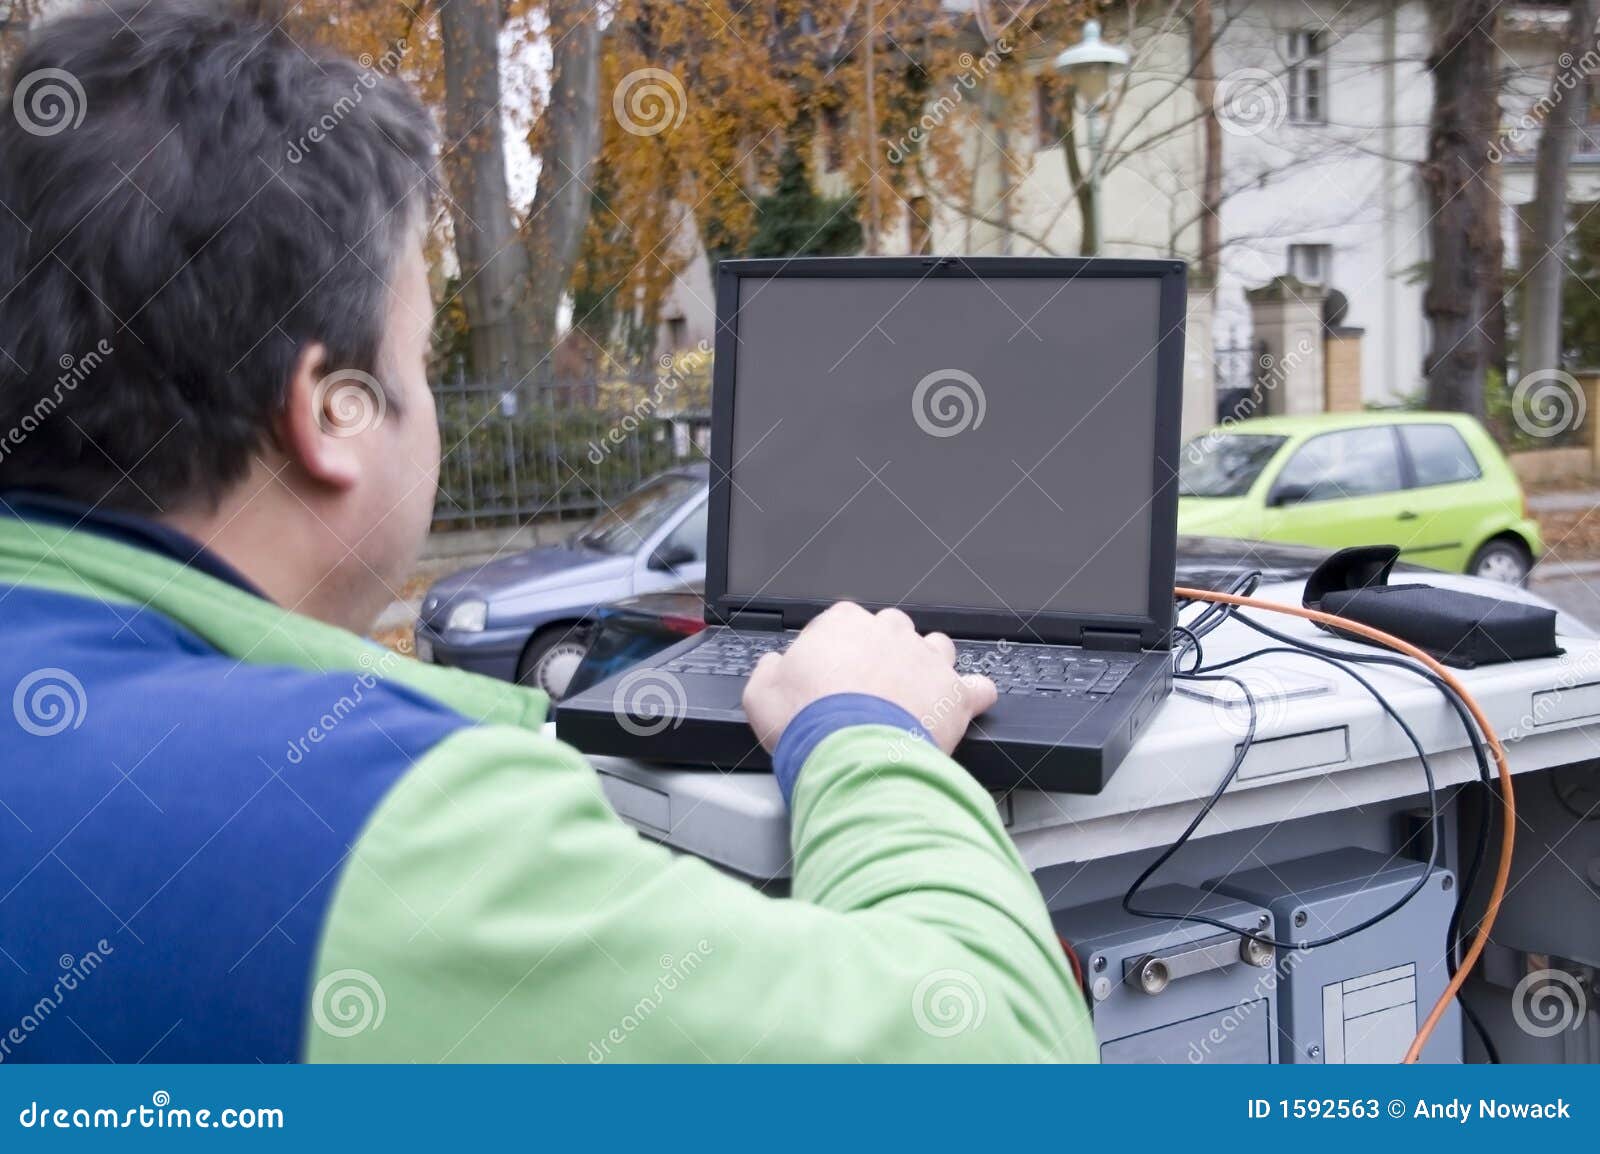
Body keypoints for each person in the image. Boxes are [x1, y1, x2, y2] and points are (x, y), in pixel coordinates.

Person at [0, 0, 1092, 1063]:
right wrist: (867, 734)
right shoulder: (381, 821)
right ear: (328, 416)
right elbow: (1001, 1061)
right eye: (421, 360)